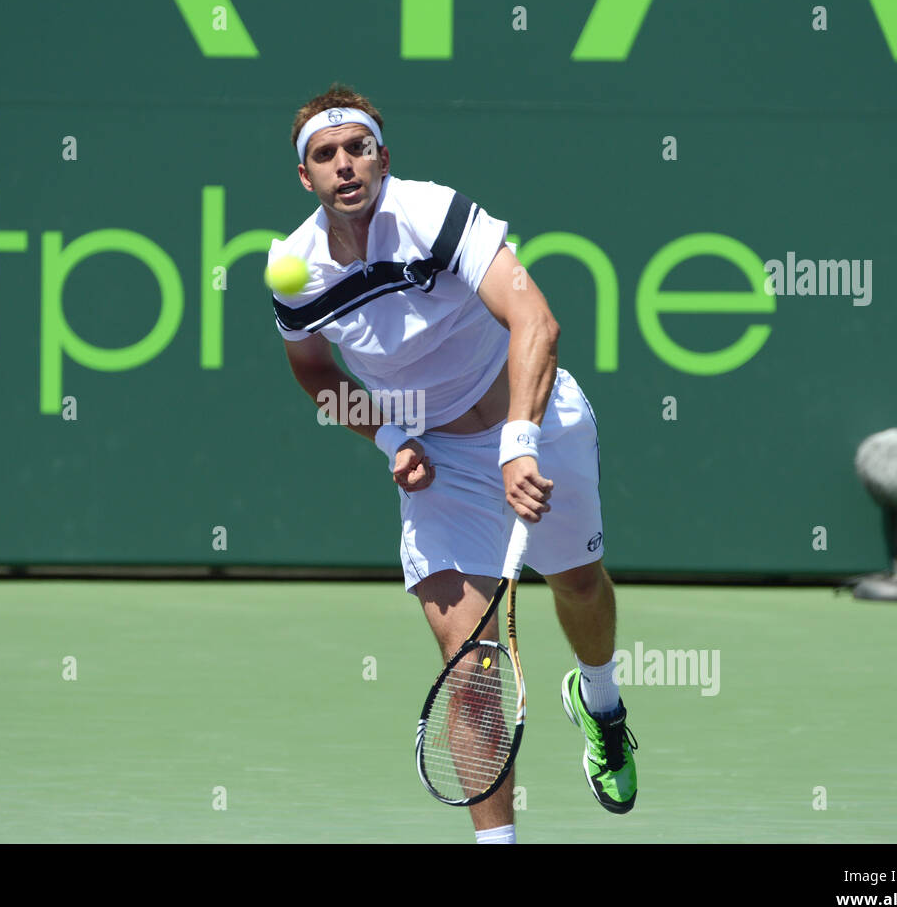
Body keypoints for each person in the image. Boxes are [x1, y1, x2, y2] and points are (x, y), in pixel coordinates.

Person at [269, 84, 637, 844]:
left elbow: (536, 317)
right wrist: (387, 438)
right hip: (437, 460)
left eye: (357, 149)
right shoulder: (294, 270)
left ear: (382, 158)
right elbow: (314, 371)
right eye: (325, 155)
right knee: (471, 665)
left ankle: (601, 702)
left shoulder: (432, 214)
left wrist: (518, 441)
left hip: (534, 424)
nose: (345, 165)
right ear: (305, 177)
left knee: (578, 584)